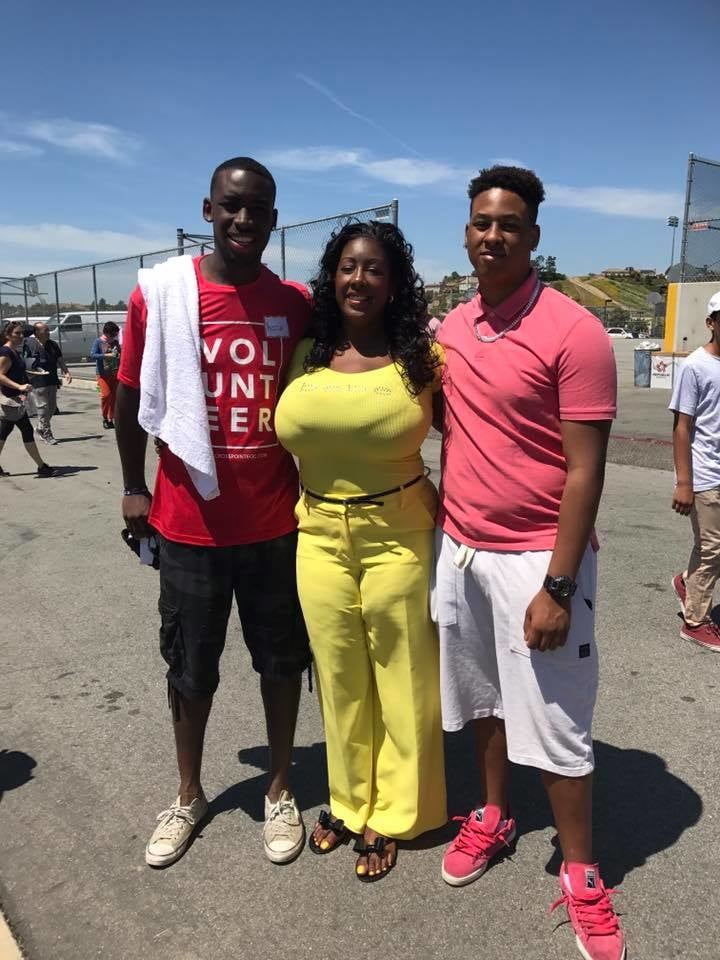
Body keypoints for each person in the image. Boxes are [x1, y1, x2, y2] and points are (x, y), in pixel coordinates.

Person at [435, 166, 624, 960]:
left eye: (509, 223)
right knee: (483, 700)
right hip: (460, 548)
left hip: (537, 557)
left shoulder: (575, 332)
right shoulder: (451, 328)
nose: (494, 235)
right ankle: (492, 813)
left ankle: (582, 872)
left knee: (556, 719)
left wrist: (559, 584)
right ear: (467, 232)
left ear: (534, 236)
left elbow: (586, 471)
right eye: (482, 222)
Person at [115, 156, 313, 869]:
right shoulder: (163, 296)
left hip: (276, 525)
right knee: (189, 667)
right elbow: (132, 396)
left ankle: (280, 787)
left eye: (257, 208)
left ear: (273, 218)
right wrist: (132, 486)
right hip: (188, 523)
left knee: (282, 662)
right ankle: (189, 795)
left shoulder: (295, 303)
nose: (243, 219)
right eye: (231, 205)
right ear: (208, 210)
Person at [275, 221, 447, 882]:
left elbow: (472, 439)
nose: (359, 279)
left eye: (375, 268)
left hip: (398, 532)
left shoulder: (423, 359)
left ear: (394, 283)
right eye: (349, 266)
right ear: (332, 275)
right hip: (317, 534)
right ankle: (350, 801)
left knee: (403, 679)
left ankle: (396, 812)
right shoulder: (307, 352)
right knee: (340, 677)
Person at [669, 291, 720, 651]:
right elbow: (682, 427)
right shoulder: (695, 366)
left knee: (713, 547)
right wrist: (684, 482)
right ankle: (696, 621)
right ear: (711, 322)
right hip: (705, 474)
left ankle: (688, 582)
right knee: (712, 548)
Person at [0, 321, 55, 477]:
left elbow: (14, 373)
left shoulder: (14, 351)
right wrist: (19, 386)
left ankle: (42, 466)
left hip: (16, 400)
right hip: (10, 400)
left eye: (22, 333)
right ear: (8, 335)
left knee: (5, 433)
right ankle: (41, 466)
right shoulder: (6, 352)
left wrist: (31, 375)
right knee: (24, 431)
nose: (21, 336)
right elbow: (0, 375)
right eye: (17, 333)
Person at [23, 321, 72, 444]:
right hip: (38, 380)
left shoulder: (53, 345)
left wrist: (66, 372)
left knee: (51, 408)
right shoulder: (30, 344)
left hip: (52, 379)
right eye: (45, 330)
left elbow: (60, 360)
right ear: (37, 332)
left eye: (48, 330)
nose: (48, 332)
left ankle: (40, 428)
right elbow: (26, 361)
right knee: (43, 407)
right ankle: (47, 433)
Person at [91, 321, 121, 429]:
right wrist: (106, 355)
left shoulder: (115, 342)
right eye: (113, 334)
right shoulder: (98, 342)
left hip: (114, 373)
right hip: (102, 374)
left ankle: (111, 418)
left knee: (114, 397)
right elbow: (93, 355)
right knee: (106, 395)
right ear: (107, 333)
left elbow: (120, 353)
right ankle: (104, 417)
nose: (114, 336)